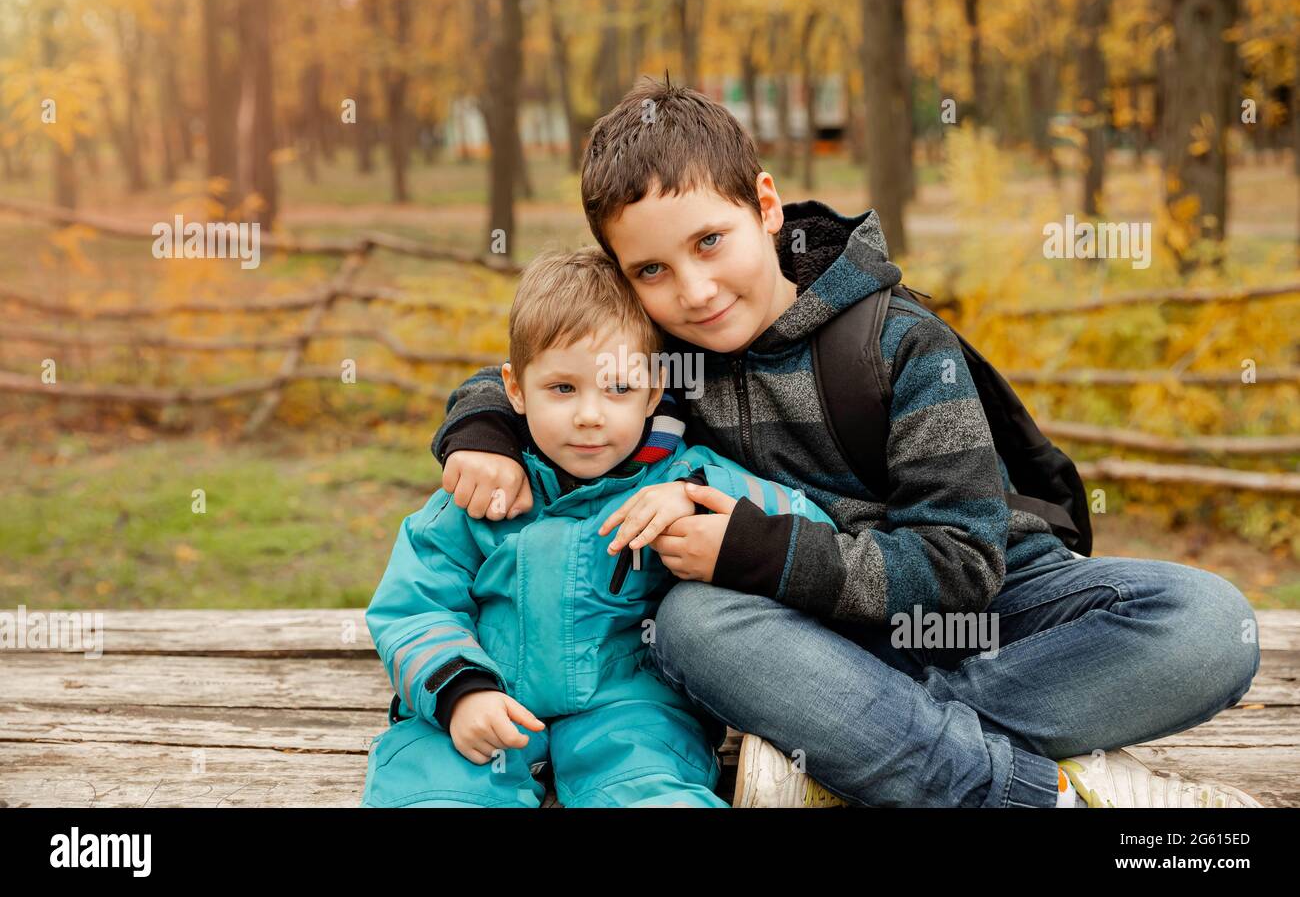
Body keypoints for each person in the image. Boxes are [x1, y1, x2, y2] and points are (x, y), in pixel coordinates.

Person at [427, 77, 1264, 808]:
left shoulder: (901, 345)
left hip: (980, 610)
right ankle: (1008, 788)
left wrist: (760, 553)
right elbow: (543, 365)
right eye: (650, 271)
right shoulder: (662, 356)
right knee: (691, 624)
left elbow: (962, 566)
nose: (695, 291)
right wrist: (484, 430)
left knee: (1209, 623)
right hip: (801, 637)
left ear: (763, 205)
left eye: (710, 242)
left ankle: (853, 747)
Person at [362, 246, 839, 808]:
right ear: (515, 389)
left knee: (648, 789)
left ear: (654, 391)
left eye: (617, 389)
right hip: (488, 700)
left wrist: (700, 502)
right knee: (433, 787)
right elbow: (413, 605)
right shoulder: (486, 487)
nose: (590, 415)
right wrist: (460, 693)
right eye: (563, 389)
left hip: (628, 709)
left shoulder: (683, 477)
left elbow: (808, 521)